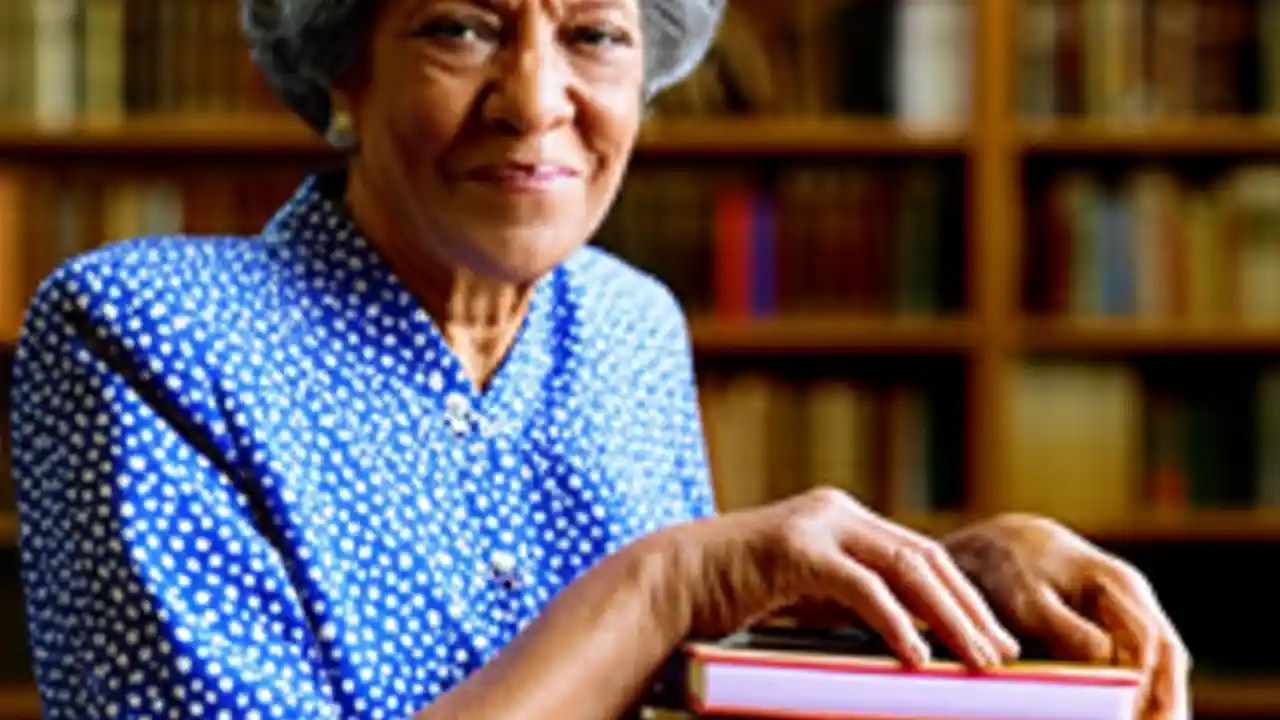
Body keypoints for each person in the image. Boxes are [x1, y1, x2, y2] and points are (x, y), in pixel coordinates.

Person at [9, 0, 1189, 718]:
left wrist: (949, 587)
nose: (534, 100)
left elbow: (687, 685)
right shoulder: (140, 332)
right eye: (461, 27)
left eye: (594, 35)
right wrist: (668, 579)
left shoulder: (630, 327)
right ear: (341, 63)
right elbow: (670, 601)